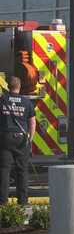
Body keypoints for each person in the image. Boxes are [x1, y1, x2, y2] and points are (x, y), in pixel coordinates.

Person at [0, 76, 35, 206]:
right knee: (22, 170)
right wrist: (29, 139)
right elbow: (32, 122)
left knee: (4, 170)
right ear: (19, 87)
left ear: (8, 86)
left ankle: (3, 202)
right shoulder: (26, 102)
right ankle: (23, 201)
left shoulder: (2, 99)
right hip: (21, 138)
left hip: (5, 138)